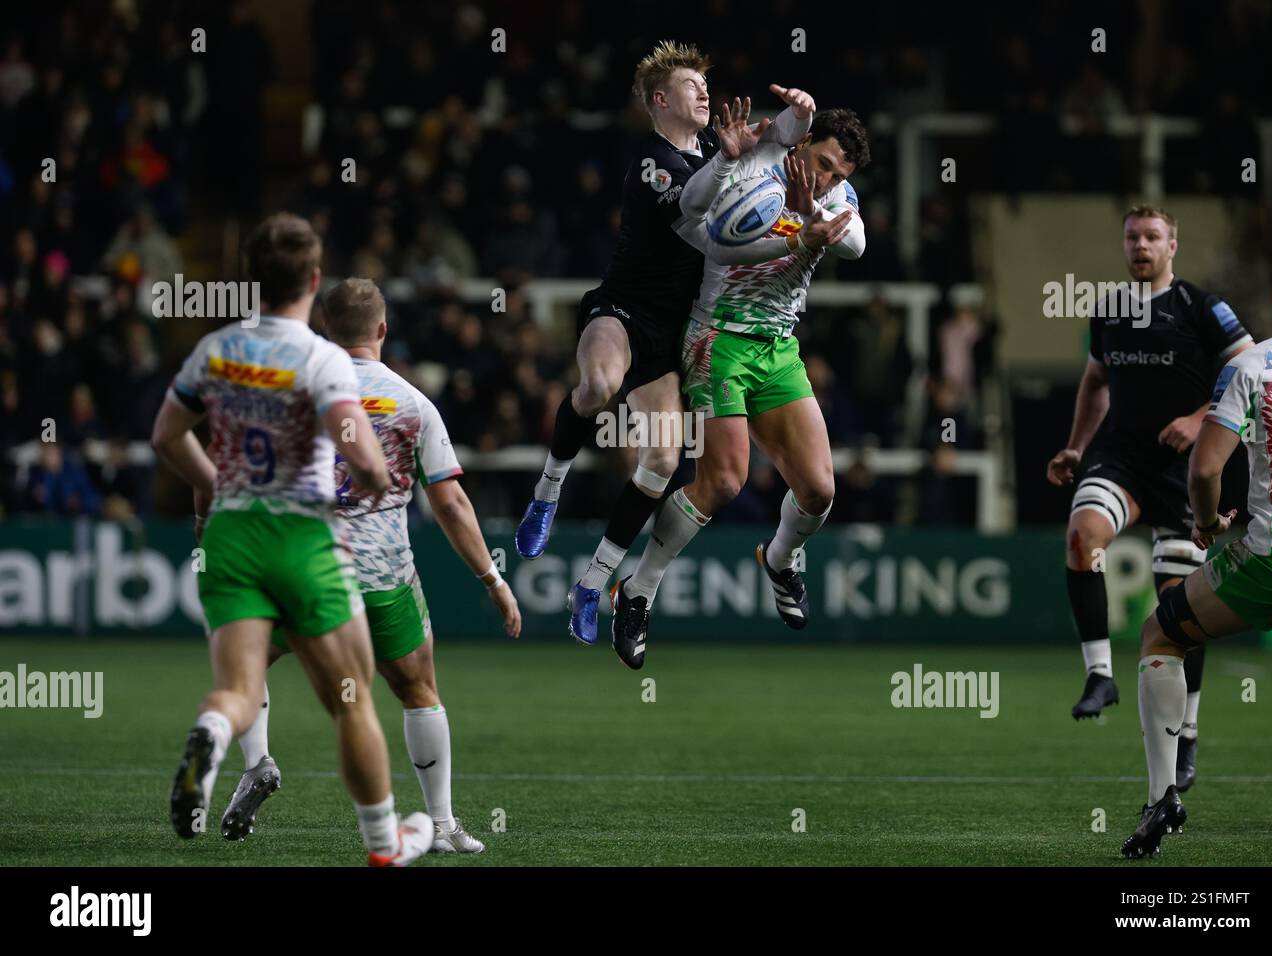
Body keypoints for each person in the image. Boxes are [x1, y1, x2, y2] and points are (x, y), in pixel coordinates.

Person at [512, 39, 820, 648]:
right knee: (598, 385)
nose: (704, 93)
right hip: (624, 310)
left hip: (673, 332)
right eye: (689, 86)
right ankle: (547, 492)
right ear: (660, 100)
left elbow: (779, 136)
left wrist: (802, 114)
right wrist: (753, 189)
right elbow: (704, 228)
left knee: (661, 461)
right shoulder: (651, 163)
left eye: (705, 85)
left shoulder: (718, 147)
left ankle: (593, 584)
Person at [151, 213, 432, 866]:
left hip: (231, 536)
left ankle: (212, 731)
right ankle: (383, 844)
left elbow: (166, 435)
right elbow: (360, 455)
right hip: (303, 536)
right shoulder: (321, 358)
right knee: (352, 699)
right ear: (313, 281)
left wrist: (213, 483)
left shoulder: (215, 350)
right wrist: (375, 477)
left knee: (239, 688)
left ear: (252, 280)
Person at [219, 278, 521, 853]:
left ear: (323, 330)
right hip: (382, 573)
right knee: (418, 688)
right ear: (383, 329)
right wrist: (493, 579)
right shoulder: (413, 403)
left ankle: (258, 762)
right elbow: (451, 504)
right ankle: (442, 824)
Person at [609, 108, 869, 668]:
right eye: (822, 162)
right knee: (724, 481)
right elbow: (702, 225)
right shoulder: (754, 170)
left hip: (778, 348)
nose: (826, 177)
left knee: (819, 491)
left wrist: (813, 210)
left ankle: (779, 559)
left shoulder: (834, 197)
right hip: (718, 338)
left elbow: (856, 246)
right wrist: (797, 231)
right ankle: (638, 590)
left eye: (838, 174)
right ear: (803, 142)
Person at [1046, 205, 1253, 795]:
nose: (1141, 246)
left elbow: (1251, 369)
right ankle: (1099, 675)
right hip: (1122, 459)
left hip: (1187, 473)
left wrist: (1200, 417)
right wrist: (1075, 446)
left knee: (1179, 612)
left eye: (1152, 237)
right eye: (1133, 237)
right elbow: (1095, 382)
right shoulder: (1109, 309)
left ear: (1172, 246)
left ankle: (1187, 733)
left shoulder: (1202, 307)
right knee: (1082, 537)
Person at [1122, 249, 1272, 858]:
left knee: (1161, 635)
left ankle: (1162, 797)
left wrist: (1205, 524)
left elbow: (1204, 468)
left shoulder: (1251, 365)